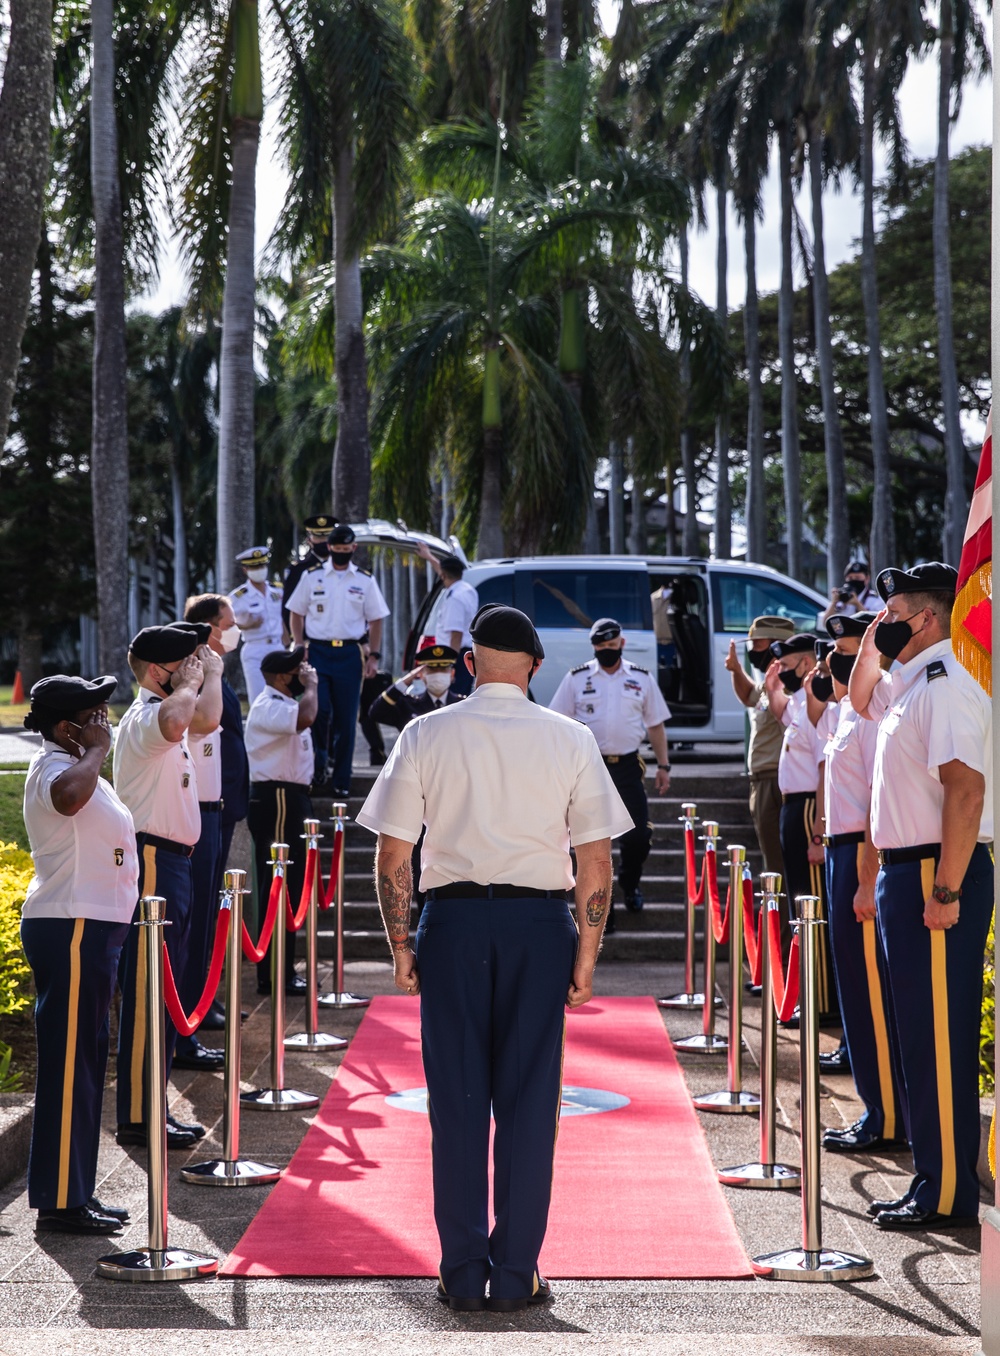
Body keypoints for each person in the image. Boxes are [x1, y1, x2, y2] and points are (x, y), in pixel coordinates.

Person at [357, 603, 633, 1313]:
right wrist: (588, 955)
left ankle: (461, 1269)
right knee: (529, 1103)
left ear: (472, 661)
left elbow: (393, 850)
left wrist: (400, 942)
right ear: (536, 666)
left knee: (455, 1105)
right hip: (540, 926)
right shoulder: (569, 736)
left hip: (450, 924)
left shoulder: (426, 731)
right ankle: (517, 1273)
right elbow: (595, 857)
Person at [849, 562, 992, 1230]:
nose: (883, 621)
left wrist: (946, 889)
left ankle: (946, 1193)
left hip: (937, 873)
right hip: (906, 871)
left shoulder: (945, 685)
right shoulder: (909, 684)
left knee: (938, 1041)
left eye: (894, 610)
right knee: (918, 1037)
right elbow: (859, 700)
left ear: (927, 618)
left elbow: (966, 790)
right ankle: (932, 1179)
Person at [20, 676, 135, 1235]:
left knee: (86, 1064)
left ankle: (75, 1191)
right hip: (70, 926)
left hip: (92, 928)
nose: (105, 722)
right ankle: (62, 1200)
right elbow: (67, 800)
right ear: (67, 727)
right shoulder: (52, 769)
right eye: (95, 715)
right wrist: (94, 751)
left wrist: (92, 752)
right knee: (70, 1068)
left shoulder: (80, 764)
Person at [114, 622, 222, 1150]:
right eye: (187, 660)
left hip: (174, 861)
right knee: (147, 991)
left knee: (165, 989)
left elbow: (207, 717)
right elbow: (182, 718)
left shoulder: (170, 709)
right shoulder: (146, 719)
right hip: (153, 859)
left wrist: (211, 675)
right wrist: (188, 686)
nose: (195, 664)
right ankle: (138, 1113)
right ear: (159, 671)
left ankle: (149, 1105)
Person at [808, 610, 905, 1143]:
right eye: (836, 652)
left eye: (850, 654)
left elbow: (873, 805)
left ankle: (887, 1115)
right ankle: (878, 1107)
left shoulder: (873, 709)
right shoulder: (847, 710)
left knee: (870, 991)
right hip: (840, 853)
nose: (837, 662)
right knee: (852, 985)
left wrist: (866, 880)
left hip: (861, 857)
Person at [548, 617, 670, 929]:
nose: (607, 651)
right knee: (592, 840)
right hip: (589, 767)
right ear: (593, 647)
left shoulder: (640, 678)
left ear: (622, 645)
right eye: (601, 647)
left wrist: (664, 765)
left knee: (638, 837)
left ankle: (630, 883)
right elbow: (557, 724)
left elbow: (655, 723)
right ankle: (605, 909)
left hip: (629, 766)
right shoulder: (577, 678)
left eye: (612, 646)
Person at [178, 593, 249, 1038]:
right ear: (210, 628)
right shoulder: (201, 674)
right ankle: (191, 1002)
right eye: (229, 621)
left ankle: (202, 995)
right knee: (199, 914)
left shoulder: (214, 672)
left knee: (207, 916)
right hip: (200, 807)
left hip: (219, 804)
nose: (236, 628)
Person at [286, 523, 390, 795]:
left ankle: (342, 779)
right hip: (317, 651)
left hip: (350, 654)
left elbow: (377, 619)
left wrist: (374, 656)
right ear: (329, 548)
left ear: (354, 549)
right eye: (338, 550)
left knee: (346, 718)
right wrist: (299, 645)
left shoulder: (364, 580)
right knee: (318, 712)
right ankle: (319, 766)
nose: (342, 554)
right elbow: (295, 612)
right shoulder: (312, 576)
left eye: (347, 550)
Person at [765, 632, 837, 1019]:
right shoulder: (800, 703)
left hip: (810, 808)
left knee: (811, 906)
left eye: (788, 666)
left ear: (808, 664)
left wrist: (818, 831)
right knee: (799, 901)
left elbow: (825, 766)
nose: (784, 673)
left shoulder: (819, 706)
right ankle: (808, 994)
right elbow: (781, 711)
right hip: (794, 807)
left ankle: (822, 1003)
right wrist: (771, 685)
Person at [245, 646, 318, 995]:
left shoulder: (285, 703)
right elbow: (306, 718)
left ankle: (284, 970)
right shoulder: (269, 706)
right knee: (278, 883)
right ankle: (273, 973)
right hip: (278, 798)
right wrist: (313, 687)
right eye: (296, 671)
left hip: (291, 797)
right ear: (279, 677)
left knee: (288, 885)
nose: (302, 674)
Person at [724, 615, 797, 878]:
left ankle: (785, 918)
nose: (753, 651)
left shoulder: (788, 681)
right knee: (774, 863)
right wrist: (735, 670)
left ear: (777, 644)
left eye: (758, 644)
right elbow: (749, 696)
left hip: (777, 781)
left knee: (780, 868)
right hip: (764, 780)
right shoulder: (771, 682)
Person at [418, 545, 478, 696]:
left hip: (455, 656)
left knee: (453, 700)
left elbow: (455, 635)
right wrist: (430, 557)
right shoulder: (467, 589)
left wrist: (450, 666)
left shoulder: (455, 599)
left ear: (443, 575)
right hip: (465, 655)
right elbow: (444, 572)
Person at [229, 546, 286, 704]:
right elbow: (226, 622)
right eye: (254, 567)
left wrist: (289, 646)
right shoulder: (238, 596)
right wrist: (246, 624)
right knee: (259, 698)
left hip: (277, 646)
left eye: (262, 565)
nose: (259, 570)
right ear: (245, 570)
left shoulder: (278, 591)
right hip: (254, 648)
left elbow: (284, 620)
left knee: (282, 696)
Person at [367, 643, 466, 732]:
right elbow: (376, 713)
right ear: (421, 675)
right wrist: (406, 681)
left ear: (452, 674)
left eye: (443, 669)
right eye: (432, 669)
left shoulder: (463, 704)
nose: (438, 674)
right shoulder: (408, 705)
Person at [281, 514, 337, 635]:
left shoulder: (343, 568)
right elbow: (289, 610)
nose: (323, 541)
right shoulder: (298, 570)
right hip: (311, 640)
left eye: (327, 536)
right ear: (309, 540)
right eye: (318, 537)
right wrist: (299, 640)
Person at [820, 560, 882, 628]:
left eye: (857, 578)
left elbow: (877, 624)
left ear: (867, 578)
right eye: (850, 578)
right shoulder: (841, 597)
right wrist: (834, 603)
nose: (853, 580)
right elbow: (825, 624)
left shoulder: (875, 599)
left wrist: (857, 604)